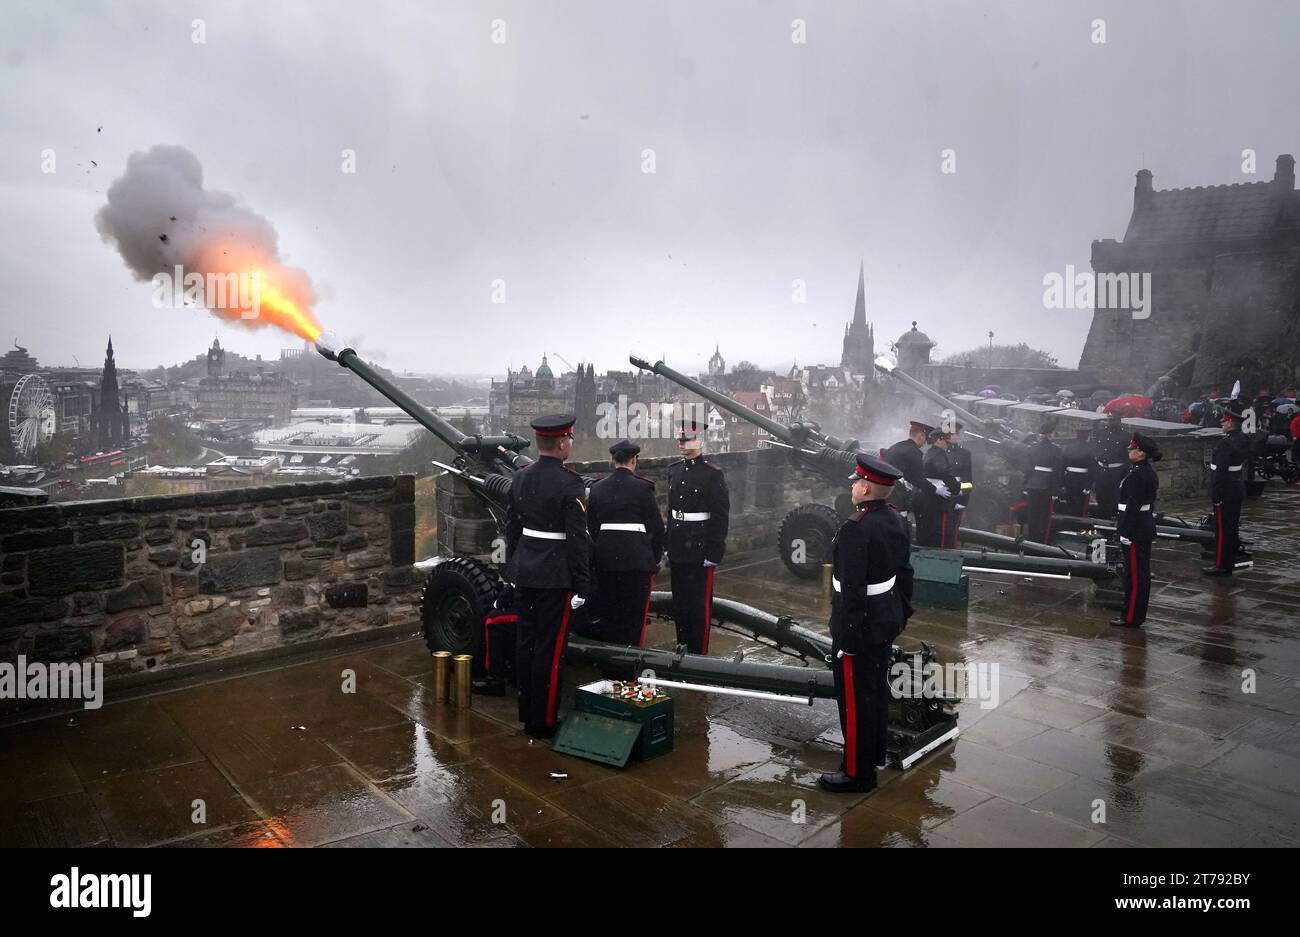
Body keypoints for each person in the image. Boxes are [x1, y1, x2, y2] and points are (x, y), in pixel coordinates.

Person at [819, 453, 915, 794]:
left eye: (856, 481)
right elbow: (905, 574)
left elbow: (853, 592)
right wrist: (900, 613)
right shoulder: (895, 520)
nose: (852, 485)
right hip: (884, 620)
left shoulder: (856, 529)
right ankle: (871, 755)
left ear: (866, 488)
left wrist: (847, 637)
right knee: (874, 694)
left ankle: (858, 774)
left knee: (856, 701)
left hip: (859, 627)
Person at [503, 413, 592, 738]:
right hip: (555, 576)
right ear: (561, 442)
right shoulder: (571, 483)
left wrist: (511, 569)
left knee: (525, 643)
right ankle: (544, 721)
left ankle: (527, 712)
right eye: (568, 439)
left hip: (525, 570)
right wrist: (582, 584)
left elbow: (512, 528)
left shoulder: (521, 478)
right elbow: (577, 539)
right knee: (550, 649)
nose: (570, 444)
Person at [586, 438, 665, 646]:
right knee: (633, 618)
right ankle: (629, 669)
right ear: (634, 461)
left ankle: (611, 664)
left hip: (605, 562)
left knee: (610, 615)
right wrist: (654, 558)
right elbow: (657, 529)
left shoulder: (597, 488)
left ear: (614, 461)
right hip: (636, 562)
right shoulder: (643, 488)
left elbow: (592, 528)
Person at [666, 418, 729, 653]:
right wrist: (667, 542)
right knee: (680, 603)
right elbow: (671, 512)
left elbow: (720, 515)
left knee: (698, 606)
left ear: (699, 441)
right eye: (679, 439)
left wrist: (715, 551)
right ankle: (682, 644)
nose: (681, 443)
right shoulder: (674, 470)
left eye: (687, 439)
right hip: (678, 545)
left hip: (700, 547)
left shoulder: (712, 474)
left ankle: (698, 651)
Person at [1111, 433, 1160, 627]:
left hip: (1135, 529)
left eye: (1132, 449)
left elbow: (1133, 506)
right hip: (1142, 526)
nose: (1129, 451)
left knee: (1135, 576)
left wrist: (1124, 532)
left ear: (1141, 453)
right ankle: (1134, 614)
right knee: (1139, 573)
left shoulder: (1138, 475)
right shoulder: (1143, 472)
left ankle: (1131, 616)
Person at [1203, 402, 1252, 576]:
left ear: (1231, 423)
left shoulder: (1226, 444)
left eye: (1224, 421)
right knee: (1231, 528)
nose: (1222, 424)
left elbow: (1220, 474)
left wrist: (1215, 495)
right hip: (1236, 487)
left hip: (1225, 490)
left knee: (1223, 530)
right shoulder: (1242, 440)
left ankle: (1221, 565)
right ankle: (1228, 562)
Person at [880, 420, 937, 534]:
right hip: (896, 497)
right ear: (920, 436)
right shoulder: (914, 452)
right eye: (925, 439)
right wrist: (935, 489)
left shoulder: (896, 446)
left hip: (884, 493)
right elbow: (917, 478)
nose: (925, 443)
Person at [1021, 419, 1063, 543]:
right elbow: (1057, 472)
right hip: (1047, 486)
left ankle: (1031, 537)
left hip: (1032, 485)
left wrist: (1025, 486)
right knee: (1043, 514)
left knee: (1032, 512)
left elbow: (1027, 470)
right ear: (1050, 434)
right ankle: (1041, 539)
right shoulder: (1056, 450)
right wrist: (1055, 491)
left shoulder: (1032, 448)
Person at [916, 428, 958, 547]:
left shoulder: (929, 453)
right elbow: (944, 473)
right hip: (936, 501)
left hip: (925, 497)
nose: (947, 445)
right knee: (940, 535)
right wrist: (956, 487)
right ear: (939, 440)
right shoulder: (939, 454)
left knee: (924, 532)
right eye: (947, 442)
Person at [1093, 410, 1129, 517]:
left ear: (1119, 421)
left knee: (1114, 498)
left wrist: (1125, 475)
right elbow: (1097, 449)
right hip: (1101, 470)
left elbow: (1128, 457)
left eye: (1113, 420)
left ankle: (1115, 519)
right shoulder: (1101, 433)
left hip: (1116, 472)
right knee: (1101, 496)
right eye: (1109, 420)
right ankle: (1103, 518)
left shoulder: (1126, 436)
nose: (1110, 423)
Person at [1060, 426, 1098, 519]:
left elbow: (1062, 465)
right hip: (1083, 480)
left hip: (1069, 478)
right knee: (1080, 505)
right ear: (1086, 436)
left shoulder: (1068, 447)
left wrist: (1062, 482)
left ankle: (1069, 523)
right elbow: (1092, 469)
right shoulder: (1091, 449)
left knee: (1070, 502)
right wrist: (1088, 485)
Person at [948, 422, 974, 544]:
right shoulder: (938, 451)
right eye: (951, 434)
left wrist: (963, 499)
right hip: (939, 493)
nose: (954, 436)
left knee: (953, 526)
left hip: (956, 493)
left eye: (956, 434)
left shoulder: (965, 454)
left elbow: (968, 479)